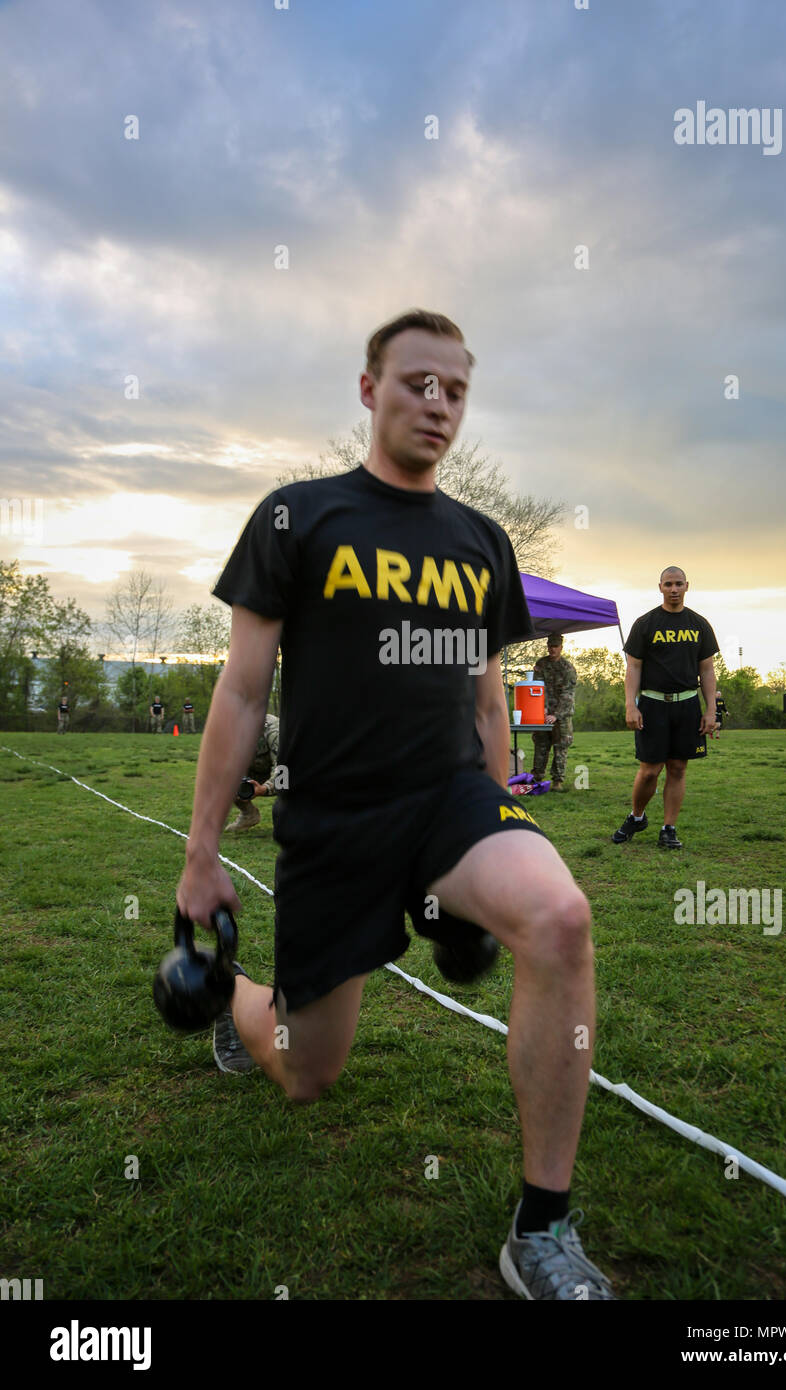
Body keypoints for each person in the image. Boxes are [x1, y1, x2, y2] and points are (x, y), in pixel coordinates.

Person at [177, 309, 615, 1301]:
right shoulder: (298, 517)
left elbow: (482, 692)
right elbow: (242, 691)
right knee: (305, 1070)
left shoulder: (478, 540)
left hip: (446, 798)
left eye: (454, 389)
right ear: (369, 388)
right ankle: (238, 1004)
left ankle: (540, 1227)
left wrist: (504, 814)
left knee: (558, 915)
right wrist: (203, 855)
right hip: (331, 817)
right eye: (416, 382)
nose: (436, 403)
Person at [611, 567, 719, 849]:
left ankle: (668, 828)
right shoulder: (646, 624)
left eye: (678, 584)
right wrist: (630, 706)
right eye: (669, 584)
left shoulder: (699, 624)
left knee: (678, 768)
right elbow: (633, 668)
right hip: (652, 705)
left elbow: (707, 671)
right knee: (649, 770)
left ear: (687, 586)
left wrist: (711, 711)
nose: (674, 589)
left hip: (687, 705)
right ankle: (637, 816)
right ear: (660, 587)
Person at [530, 633, 577, 791]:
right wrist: (541, 709)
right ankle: (536, 777)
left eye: (555, 646)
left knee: (560, 746)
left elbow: (567, 695)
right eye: (550, 646)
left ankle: (557, 781)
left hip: (561, 715)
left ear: (561, 648)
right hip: (542, 713)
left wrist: (555, 715)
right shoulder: (541, 664)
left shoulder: (567, 668)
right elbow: (537, 687)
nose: (552, 649)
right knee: (541, 745)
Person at [224, 712, 280, 832]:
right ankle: (249, 815)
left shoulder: (275, 732)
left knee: (285, 824)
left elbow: (284, 774)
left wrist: (264, 789)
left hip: (292, 775)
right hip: (260, 769)